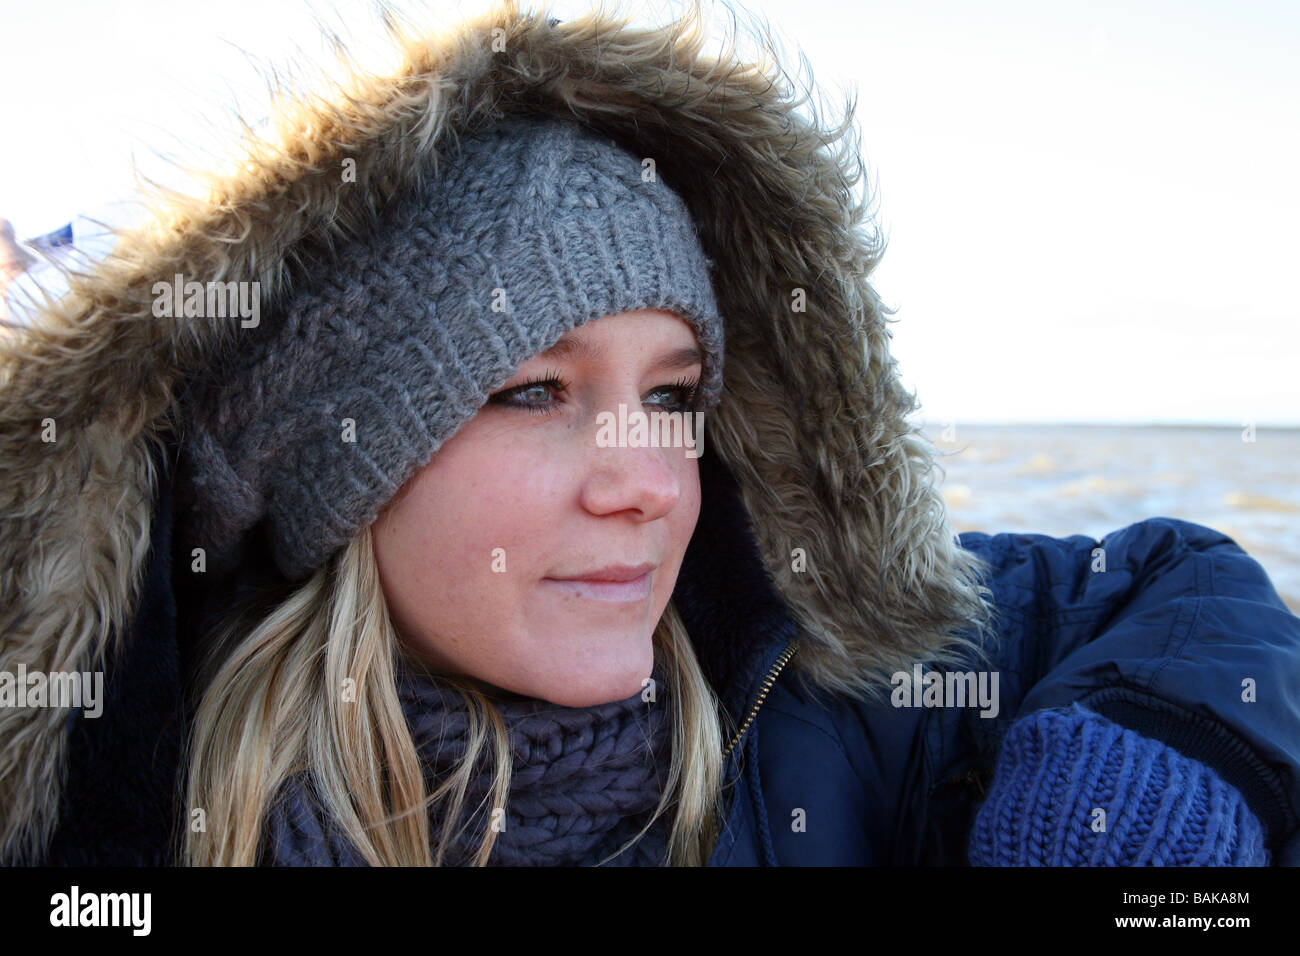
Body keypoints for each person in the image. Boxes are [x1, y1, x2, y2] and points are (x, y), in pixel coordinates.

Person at [1, 0, 1297, 868]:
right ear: (337, 466)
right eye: (533, 391)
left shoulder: (828, 695)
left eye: (674, 396)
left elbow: (1181, 597)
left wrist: (1129, 808)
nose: (646, 488)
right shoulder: (108, 811)